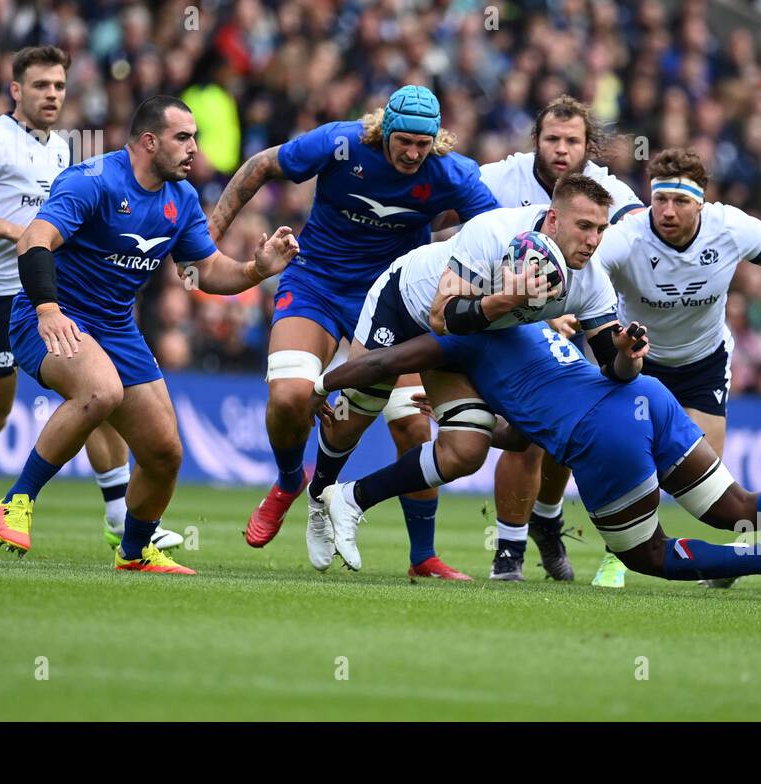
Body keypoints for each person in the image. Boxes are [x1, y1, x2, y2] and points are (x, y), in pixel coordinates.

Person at [309, 321, 761, 600]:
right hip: (646, 398)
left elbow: (385, 363)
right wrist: (475, 422)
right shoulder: (536, 323)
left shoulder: (462, 336)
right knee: (734, 505)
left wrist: (322, 383)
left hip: (603, 432)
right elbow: (524, 434)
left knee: (648, 554)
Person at [0, 96, 298, 573]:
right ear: (149, 142)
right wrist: (48, 309)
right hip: (46, 315)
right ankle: (16, 501)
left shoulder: (182, 199)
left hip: (115, 327)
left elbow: (205, 272)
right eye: (183, 137)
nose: (194, 147)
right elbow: (34, 241)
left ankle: (133, 552)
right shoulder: (92, 181)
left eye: (195, 137)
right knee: (101, 390)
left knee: (164, 452)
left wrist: (258, 269)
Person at [208, 85, 499, 580]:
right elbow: (261, 165)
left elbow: (495, 234)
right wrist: (206, 241)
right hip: (316, 284)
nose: (411, 153)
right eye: (403, 141)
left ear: (436, 142)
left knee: (411, 423)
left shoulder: (453, 173)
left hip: (393, 300)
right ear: (383, 130)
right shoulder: (339, 144)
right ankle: (286, 483)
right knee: (290, 397)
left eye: (421, 145)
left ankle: (421, 556)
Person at [0, 46, 180, 555]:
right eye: (41, 85)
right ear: (16, 90)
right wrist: (18, 232)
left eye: (59, 86)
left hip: (60, 297)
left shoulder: (64, 150)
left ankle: (119, 518)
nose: (52, 95)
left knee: (96, 396)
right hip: (0, 297)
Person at [305, 174, 624, 574]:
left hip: (467, 337)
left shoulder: (592, 280)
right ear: (554, 220)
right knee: (356, 414)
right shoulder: (493, 231)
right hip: (407, 305)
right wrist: (508, 300)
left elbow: (615, 362)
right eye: (584, 226)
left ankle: (350, 499)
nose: (594, 240)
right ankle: (318, 499)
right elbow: (441, 316)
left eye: (600, 229)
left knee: (466, 449)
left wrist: (629, 357)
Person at [588, 146, 761, 588]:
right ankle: (620, 553)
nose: (667, 212)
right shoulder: (627, 236)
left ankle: (738, 557)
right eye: (659, 200)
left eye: (680, 202)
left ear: (702, 203)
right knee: (636, 464)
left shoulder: (729, 228)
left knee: (706, 490)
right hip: (638, 362)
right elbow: (583, 271)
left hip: (703, 364)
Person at [478, 95, 642, 582]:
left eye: (572, 141)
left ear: (589, 147)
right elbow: (447, 214)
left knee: (565, 436)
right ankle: (509, 551)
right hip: (505, 324)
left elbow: (642, 230)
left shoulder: (608, 191)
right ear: (536, 140)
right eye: (552, 139)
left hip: (584, 318)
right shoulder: (500, 178)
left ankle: (547, 520)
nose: (561, 149)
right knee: (523, 435)